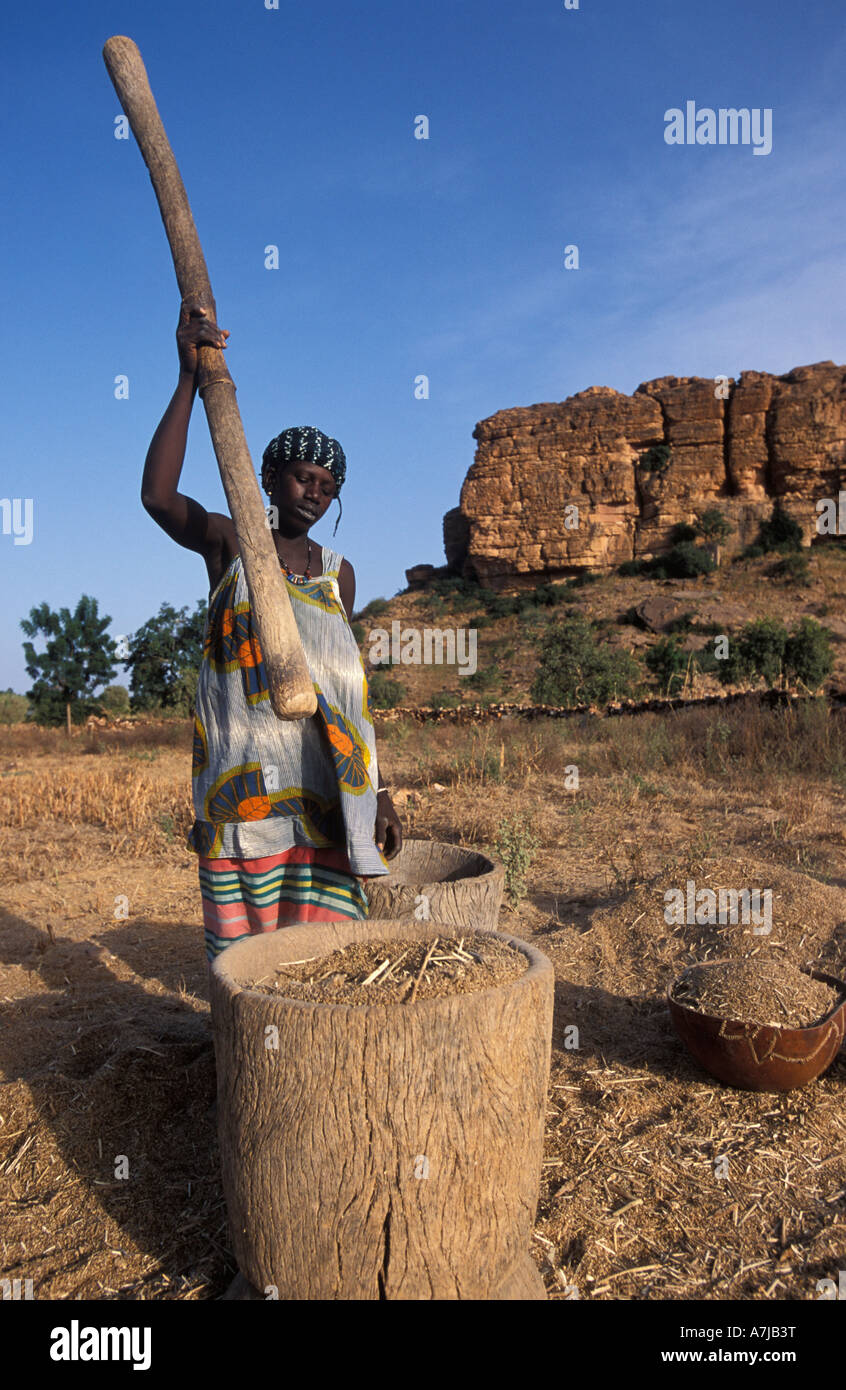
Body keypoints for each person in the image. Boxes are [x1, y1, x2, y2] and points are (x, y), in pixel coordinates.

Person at [141, 303, 402, 964]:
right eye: (301, 477)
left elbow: (351, 696)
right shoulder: (233, 543)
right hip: (246, 777)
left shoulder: (339, 577)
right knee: (249, 954)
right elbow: (158, 498)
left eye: (326, 485)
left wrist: (382, 792)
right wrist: (185, 379)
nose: (313, 492)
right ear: (271, 479)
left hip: (325, 780)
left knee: (321, 955)